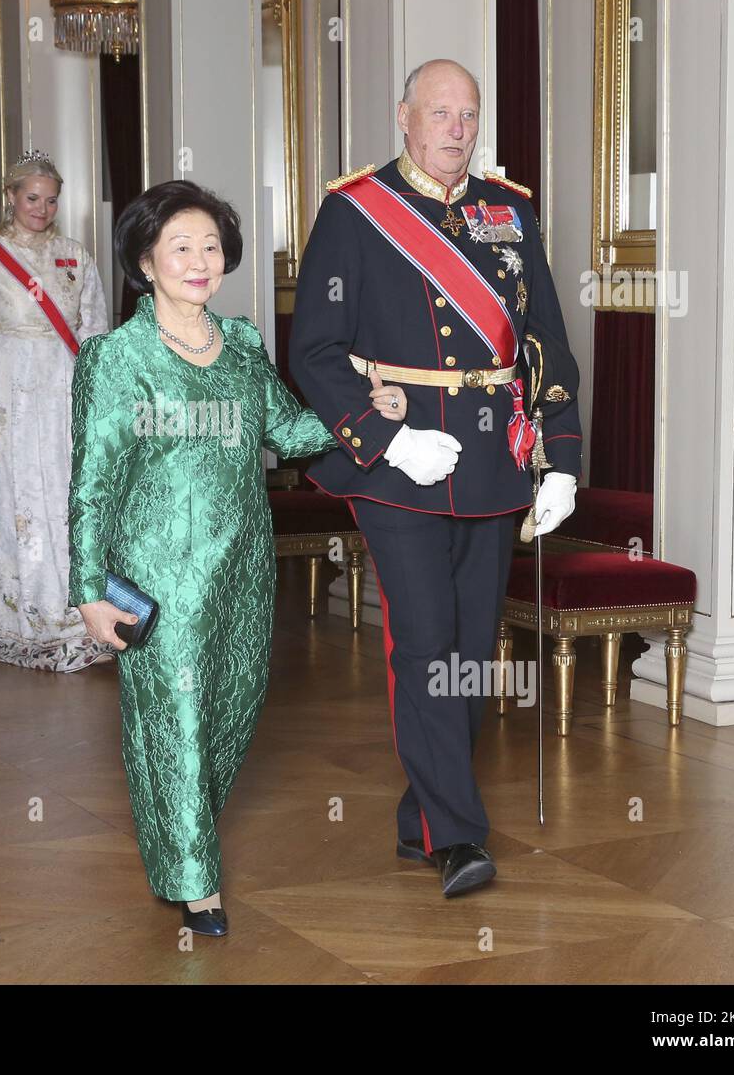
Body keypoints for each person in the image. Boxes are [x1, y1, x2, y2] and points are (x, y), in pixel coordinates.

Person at [69, 180, 409, 936]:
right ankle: (197, 883)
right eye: (180, 247)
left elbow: (287, 431)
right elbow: (90, 484)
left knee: (234, 708)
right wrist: (89, 591)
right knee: (177, 718)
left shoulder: (245, 344)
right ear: (145, 262)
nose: (200, 261)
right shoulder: (115, 358)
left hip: (246, 571)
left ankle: (173, 837)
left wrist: (366, 415)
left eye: (211, 246)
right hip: (158, 575)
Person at [290, 59, 582, 897]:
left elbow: (546, 341)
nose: (457, 129)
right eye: (441, 113)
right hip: (403, 469)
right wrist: (387, 438)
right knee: (423, 643)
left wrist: (559, 455)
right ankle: (459, 836)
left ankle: (421, 821)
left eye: (468, 115)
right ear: (404, 118)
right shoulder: (354, 213)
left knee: (468, 652)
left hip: (494, 463)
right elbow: (312, 348)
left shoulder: (509, 210)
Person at [0, 150, 112, 672]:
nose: (41, 208)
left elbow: (95, 333)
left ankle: (78, 613)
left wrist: (97, 396)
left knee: (68, 496)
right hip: (9, 390)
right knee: (17, 500)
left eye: (50, 200)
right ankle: (23, 619)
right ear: (11, 197)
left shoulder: (74, 254)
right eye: (31, 198)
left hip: (64, 388)